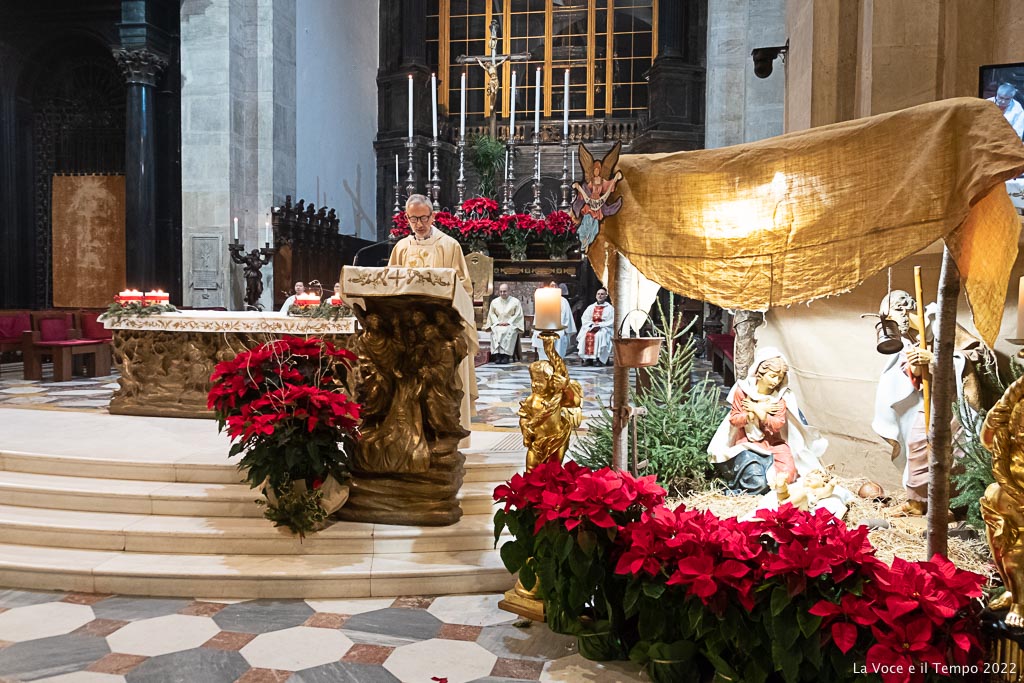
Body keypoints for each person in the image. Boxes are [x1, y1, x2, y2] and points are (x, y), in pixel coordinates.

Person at [871, 291, 972, 515]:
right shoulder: (907, 338)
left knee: (952, 451)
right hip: (931, 399)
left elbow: (972, 355)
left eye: (891, 316)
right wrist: (915, 366)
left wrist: (934, 359)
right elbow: (912, 374)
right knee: (917, 445)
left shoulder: (940, 323)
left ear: (904, 309)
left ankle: (950, 505)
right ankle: (916, 502)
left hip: (955, 401)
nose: (891, 325)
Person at [708, 347, 828, 495]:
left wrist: (759, 411)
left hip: (774, 443)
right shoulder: (743, 391)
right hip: (748, 444)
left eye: (780, 377)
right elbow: (735, 419)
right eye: (772, 376)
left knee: (788, 476)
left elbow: (777, 425)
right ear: (760, 373)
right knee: (758, 482)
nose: (776, 381)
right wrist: (751, 414)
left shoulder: (780, 397)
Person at [388, 194, 473, 297]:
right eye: (414, 219)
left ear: (432, 216)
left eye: (424, 218)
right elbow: (390, 283)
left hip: (440, 305)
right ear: (407, 218)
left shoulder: (450, 246)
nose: (419, 224)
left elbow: (463, 287)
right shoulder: (401, 247)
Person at [532, 282, 576, 361]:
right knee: (539, 335)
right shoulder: (543, 300)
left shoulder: (563, 301)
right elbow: (539, 315)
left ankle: (556, 360)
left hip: (558, 327)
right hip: (544, 327)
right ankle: (544, 360)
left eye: (555, 286)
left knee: (560, 336)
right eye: (551, 286)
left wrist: (557, 326)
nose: (553, 287)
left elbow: (566, 317)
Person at [484, 284, 524, 364]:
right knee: (495, 331)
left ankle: (506, 356)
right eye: (501, 291)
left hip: (511, 325)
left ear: (509, 291)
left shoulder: (515, 302)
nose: (502, 293)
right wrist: (497, 322)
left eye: (504, 291)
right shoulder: (494, 302)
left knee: (508, 331)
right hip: (497, 324)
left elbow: (518, 314)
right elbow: (492, 314)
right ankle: (497, 356)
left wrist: (508, 322)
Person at [576, 288, 614, 366]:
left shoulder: (610, 308)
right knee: (585, 335)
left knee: (600, 335)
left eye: (602, 294)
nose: (600, 296)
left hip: (604, 327)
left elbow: (612, 321)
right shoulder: (591, 307)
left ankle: (600, 359)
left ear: (606, 296)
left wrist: (600, 325)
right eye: (598, 294)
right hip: (591, 326)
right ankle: (588, 359)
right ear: (596, 296)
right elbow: (585, 319)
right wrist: (591, 325)